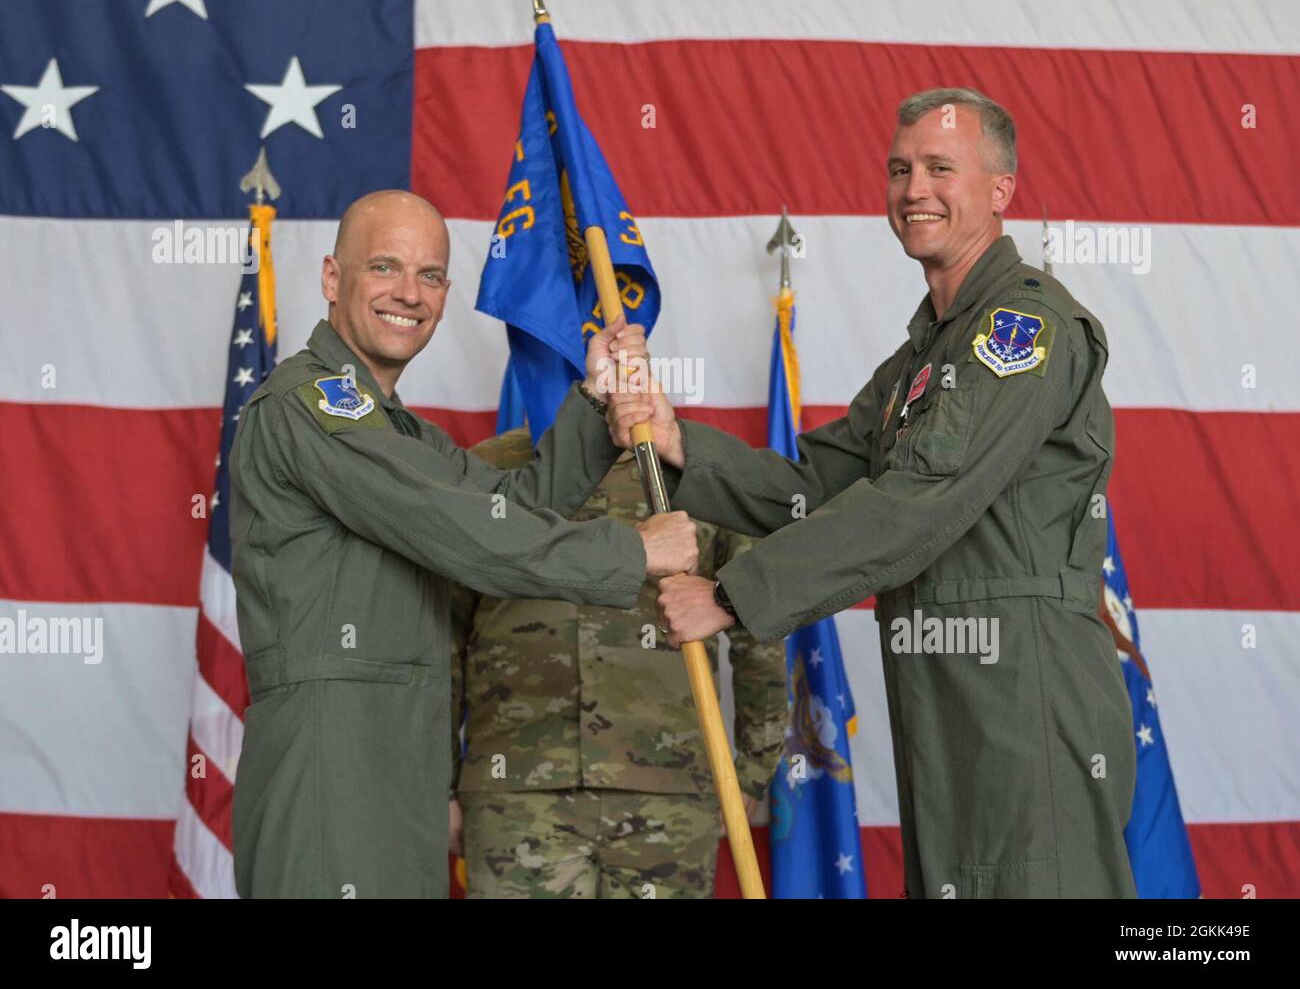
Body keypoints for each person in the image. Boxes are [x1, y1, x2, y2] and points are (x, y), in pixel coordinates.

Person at [612, 89, 1138, 899]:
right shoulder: (919, 361)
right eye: (900, 169)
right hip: (944, 690)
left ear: (1001, 190)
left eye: (939, 168)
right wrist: (680, 441)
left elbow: (923, 497)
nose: (913, 189)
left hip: (1026, 686)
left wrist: (733, 593)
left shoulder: (1023, 330)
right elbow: (810, 487)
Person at [229, 190, 697, 899]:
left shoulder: (398, 432)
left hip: (398, 764)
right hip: (331, 762)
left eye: (430, 275)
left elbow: (509, 506)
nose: (408, 294)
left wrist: (596, 398)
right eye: (384, 267)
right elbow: (472, 534)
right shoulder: (313, 405)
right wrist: (634, 552)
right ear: (332, 278)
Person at [448, 428, 788, 899]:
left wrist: (751, 772)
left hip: (668, 789)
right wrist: (442, 785)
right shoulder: (487, 468)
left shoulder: (703, 469)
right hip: (517, 788)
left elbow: (756, 625)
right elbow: (446, 636)